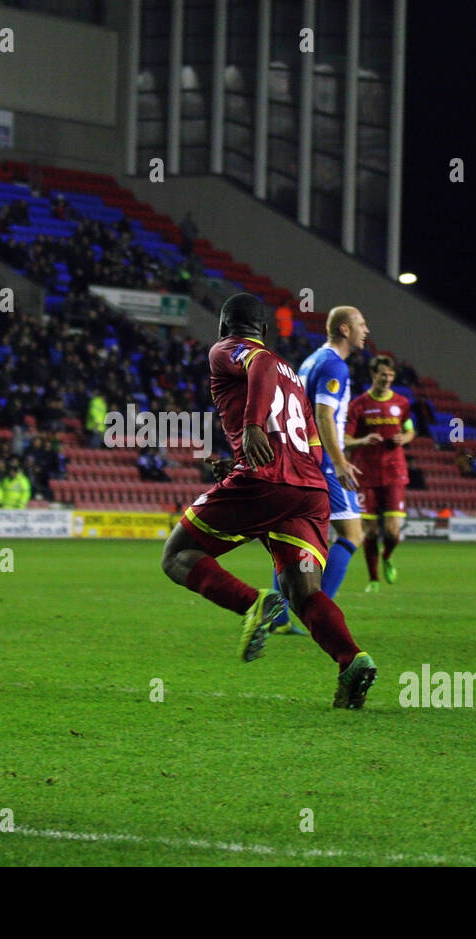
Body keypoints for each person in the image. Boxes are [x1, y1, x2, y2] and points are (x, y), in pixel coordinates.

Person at [160, 293, 377, 709]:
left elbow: (257, 364)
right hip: (308, 488)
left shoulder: (230, 350)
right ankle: (352, 659)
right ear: (263, 328)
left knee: (177, 555)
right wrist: (250, 461)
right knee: (303, 591)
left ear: (225, 328)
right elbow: (311, 440)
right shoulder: (291, 374)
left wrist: (254, 430)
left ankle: (253, 603)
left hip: (267, 478)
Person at [267, 305, 370, 633]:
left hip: (298, 457)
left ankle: (277, 613)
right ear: (344, 329)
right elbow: (325, 416)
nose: (366, 330)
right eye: (361, 324)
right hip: (322, 462)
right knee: (352, 534)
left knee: (297, 538)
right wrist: (339, 463)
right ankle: (317, 614)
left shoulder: (312, 360)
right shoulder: (333, 365)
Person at [345, 355, 415, 593]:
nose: (387, 379)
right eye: (383, 374)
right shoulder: (359, 405)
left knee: (392, 531)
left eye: (390, 375)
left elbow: (409, 430)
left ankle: (387, 555)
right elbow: (345, 440)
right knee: (371, 532)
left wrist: (403, 439)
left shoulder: (402, 403)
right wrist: (363, 440)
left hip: (395, 472)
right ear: (373, 375)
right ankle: (373, 579)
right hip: (366, 475)